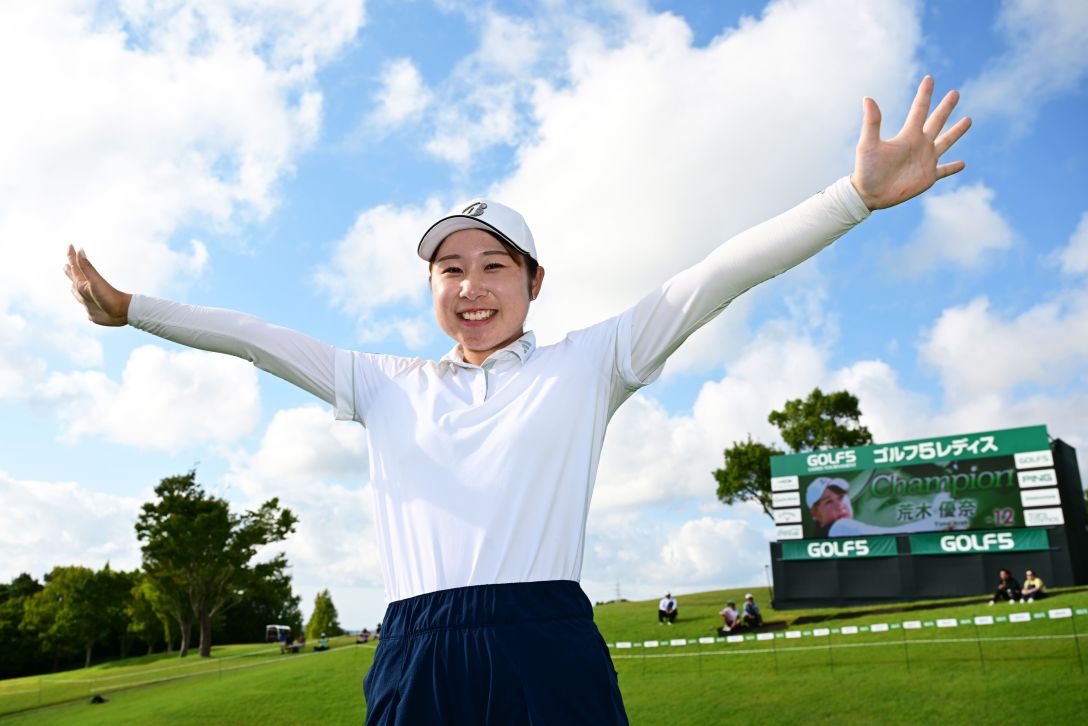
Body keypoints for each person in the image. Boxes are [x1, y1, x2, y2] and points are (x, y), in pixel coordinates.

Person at [64, 76, 969, 725]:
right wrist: (133, 310)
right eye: (450, 269)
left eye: (495, 265)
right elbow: (255, 334)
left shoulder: (593, 361)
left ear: (534, 281)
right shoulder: (382, 384)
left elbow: (714, 276)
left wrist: (854, 198)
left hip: (545, 641)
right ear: (430, 289)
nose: (472, 286)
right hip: (416, 652)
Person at [807, 477, 966, 538]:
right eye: (828, 502)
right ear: (816, 513)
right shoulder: (840, 527)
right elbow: (891, 536)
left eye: (841, 497)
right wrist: (938, 523)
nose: (840, 505)